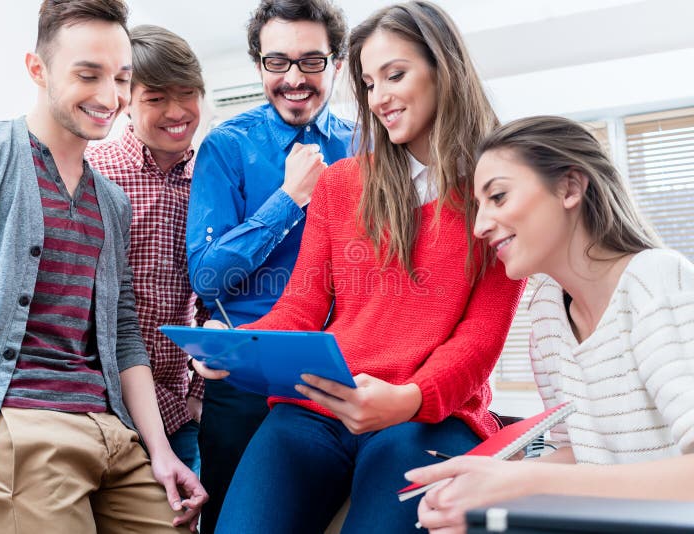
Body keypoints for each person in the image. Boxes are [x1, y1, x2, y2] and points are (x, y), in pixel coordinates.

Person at [193, 2, 524, 532]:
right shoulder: (343, 183)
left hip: (426, 414)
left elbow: (482, 333)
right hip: (319, 407)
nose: (381, 98)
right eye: (370, 84)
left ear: (445, 68)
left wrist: (409, 398)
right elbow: (301, 304)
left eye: (395, 75)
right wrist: (242, 346)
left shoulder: (498, 188)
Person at [0, 1, 205, 532]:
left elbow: (124, 334)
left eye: (121, 79)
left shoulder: (111, 202)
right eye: (88, 75)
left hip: (112, 431)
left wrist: (160, 451)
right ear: (37, 69)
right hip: (16, 425)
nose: (109, 96)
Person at [408, 115, 694, 533]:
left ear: (570, 187)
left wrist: (522, 481)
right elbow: (580, 453)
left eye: (499, 197)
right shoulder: (545, 312)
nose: (480, 226)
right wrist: (480, 487)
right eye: (479, 205)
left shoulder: (656, 282)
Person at [185, 0, 355, 529]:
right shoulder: (226, 147)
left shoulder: (366, 146)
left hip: (341, 377)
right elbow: (208, 275)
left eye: (311, 61)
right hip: (244, 377)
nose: (294, 79)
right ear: (259, 65)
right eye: (278, 62)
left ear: (338, 65)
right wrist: (289, 198)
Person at [87, 24, 209, 475]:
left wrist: (198, 397)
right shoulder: (93, 170)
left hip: (178, 411)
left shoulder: (211, 180)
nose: (176, 111)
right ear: (126, 101)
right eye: (156, 98)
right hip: (100, 402)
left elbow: (214, 302)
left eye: (188, 93)